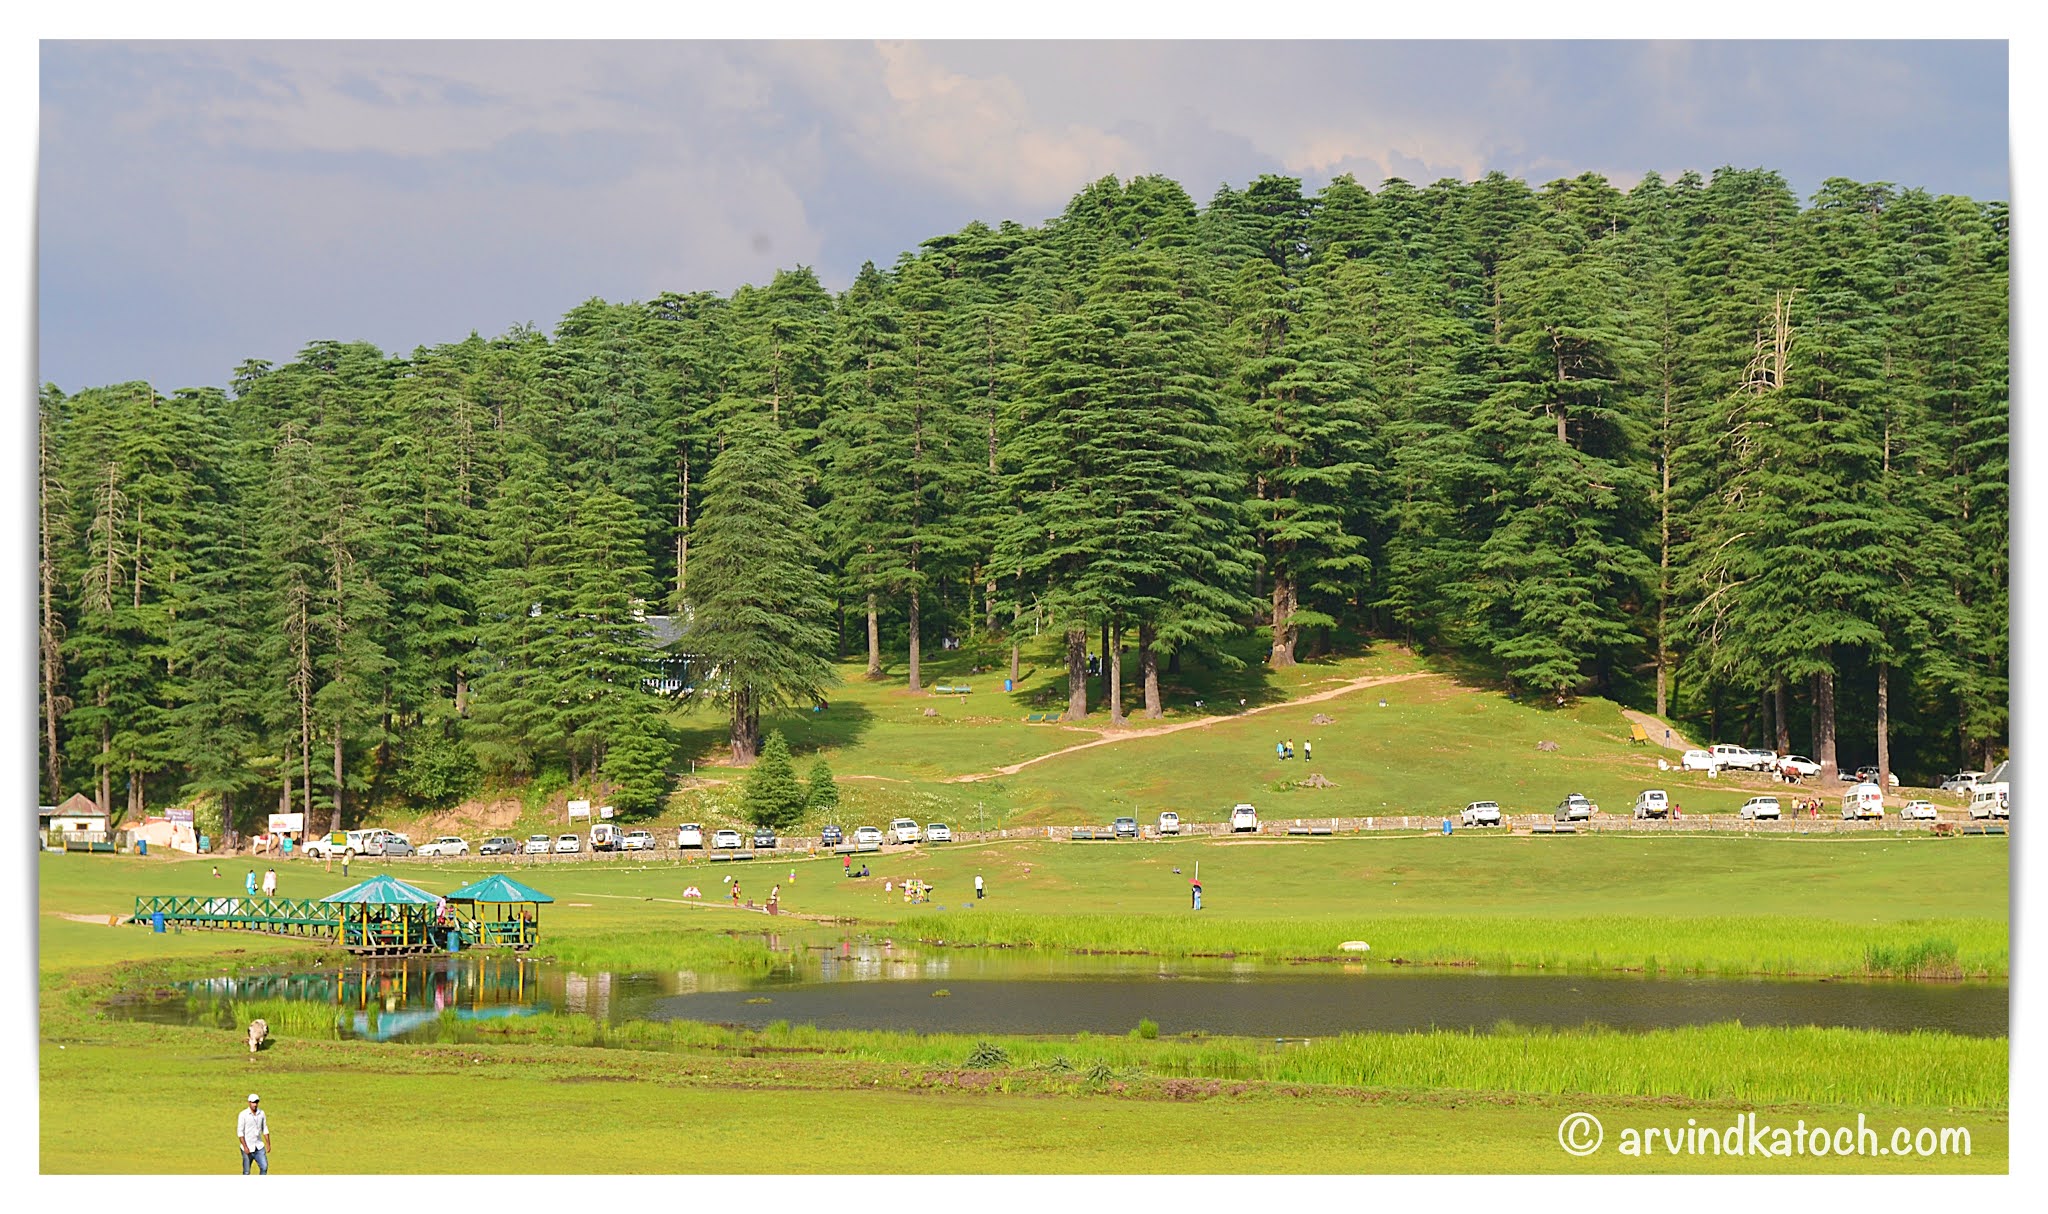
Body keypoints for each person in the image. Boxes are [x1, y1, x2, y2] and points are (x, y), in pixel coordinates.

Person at [237, 1093, 270, 1175]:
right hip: (247, 1147)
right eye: (253, 1102)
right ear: (249, 1102)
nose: (255, 1104)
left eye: (256, 1102)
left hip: (259, 1146)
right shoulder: (243, 1115)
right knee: (247, 1172)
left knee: (264, 1167)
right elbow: (240, 1132)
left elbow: (265, 1129)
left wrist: (268, 1143)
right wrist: (245, 1147)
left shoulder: (261, 1113)